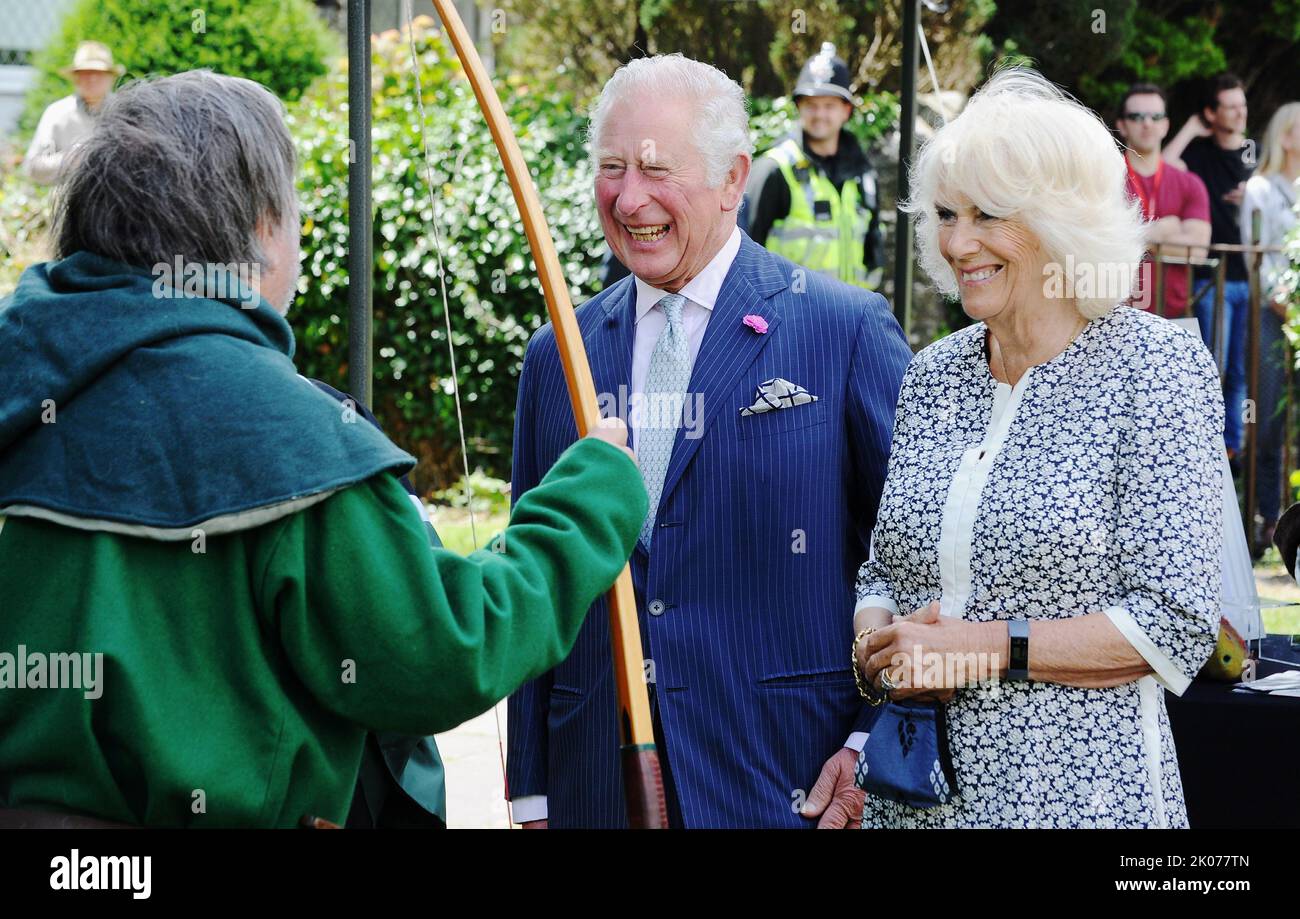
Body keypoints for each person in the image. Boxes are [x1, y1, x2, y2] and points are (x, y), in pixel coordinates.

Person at [0, 70, 647, 828]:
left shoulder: (26, 376)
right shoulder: (285, 433)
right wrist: (596, 493)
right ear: (260, 224)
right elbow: (443, 650)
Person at [507, 54, 912, 829]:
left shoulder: (845, 330)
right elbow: (536, 572)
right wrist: (532, 792)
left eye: (658, 170)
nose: (630, 198)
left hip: (785, 783)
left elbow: (917, 561)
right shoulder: (558, 350)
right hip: (595, 785)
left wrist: (872, 740)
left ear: (733, 179)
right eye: (612, 168)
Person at [855, 68, 1222, 828]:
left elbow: (1174, 621)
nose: (958, 242)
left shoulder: (1153, 367)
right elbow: (883, 568)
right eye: (947, 214)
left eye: (989, 214)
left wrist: (980, 647)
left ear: (1063, 222)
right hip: (919, 801)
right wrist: (876, 644)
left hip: (1075, 796)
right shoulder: (932, 374)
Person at [1164, 73, 1254, 462]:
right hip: (1211, 278)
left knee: (1238, 369)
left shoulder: (1252, 151)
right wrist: (1188, 128)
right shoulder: (1198, 153)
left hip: (1248, 277)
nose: (1240, 112)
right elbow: (1167, 164)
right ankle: (1206, 448)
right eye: (1231, 106)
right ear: (1211, 113)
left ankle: (1231, 451)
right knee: (1212, 365)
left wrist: (1252, 194)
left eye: (1242, 105)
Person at [745, 42, 884, 289]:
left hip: (852, 319)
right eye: (811, 105)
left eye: (829, 105)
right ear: (799, 107)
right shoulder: (774, 170)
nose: (819, 114)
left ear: (846, 110)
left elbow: (872, 253)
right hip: (791, 321)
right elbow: (744, 256)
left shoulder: (864, 175)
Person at [1239, 102, 1300, 554]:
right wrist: (1281, 303)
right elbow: (1254, 255)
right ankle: (1265, 519)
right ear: (1285, 135)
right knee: (1268, 421)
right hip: (1272, 313)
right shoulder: (1259, 188)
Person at [1114, 82, 1211, 319]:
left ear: (1165, 125)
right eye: (1136, 116)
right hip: (1115, 314)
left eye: (1155, 116)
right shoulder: (1104, 179)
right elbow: (1097, 239)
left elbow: (1197, 251)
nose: (1147, 123)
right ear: (1122, 126)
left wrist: (1133, 235)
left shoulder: (1190, 183)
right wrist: (1159, 231)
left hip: (1176, 315)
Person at [23, 41, 122, 185]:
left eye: (99, 73)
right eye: (86, 73)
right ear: (75, 77)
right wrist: (68, 159)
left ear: (111, 77)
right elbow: (32, 168)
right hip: (72, 201)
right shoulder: (57, 113)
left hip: (119, 202)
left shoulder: (125, 112)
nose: (92, 79)